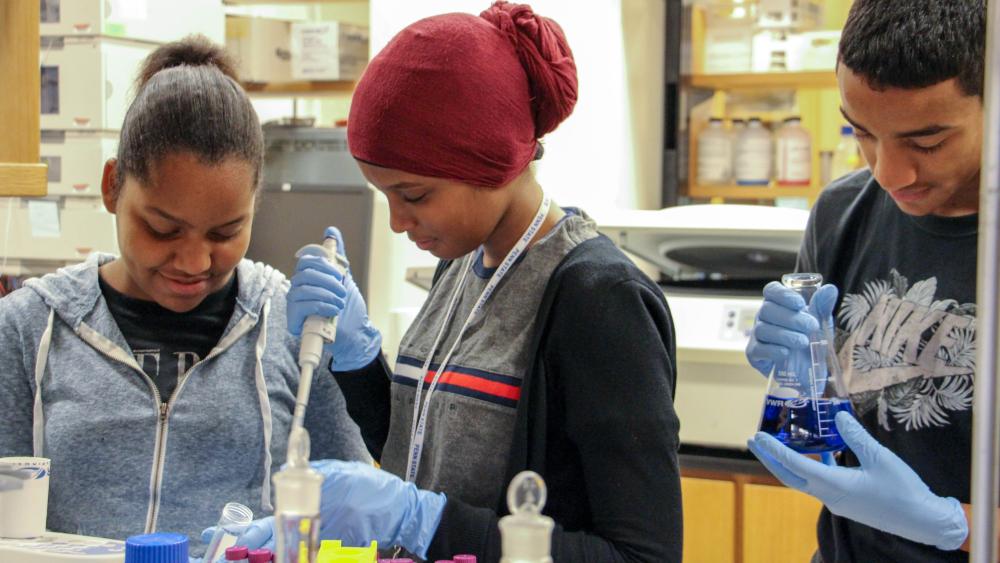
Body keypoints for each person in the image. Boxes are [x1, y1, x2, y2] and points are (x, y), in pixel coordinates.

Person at [226, 2, 683, 561]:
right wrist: (357, 361)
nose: (397, 222)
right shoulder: (461, 265)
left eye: (414, 195)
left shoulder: (598, 299)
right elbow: (421, 454)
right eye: (384, 195)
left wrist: (420, 520)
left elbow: (644, 555)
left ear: (489, 162)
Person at [0, 36, 369, 554]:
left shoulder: (291, 330)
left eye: (224, 233)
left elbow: (357, 517)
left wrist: (362, 371)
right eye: (163, 229)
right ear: (112, 188)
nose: (194, 263)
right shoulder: (28, 329)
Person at [744, 0, 984, 561]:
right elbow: (832, 442)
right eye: (862, 133)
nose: (888, 173)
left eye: (927, 143)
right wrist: (801, 384)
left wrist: (954, 525)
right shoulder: (841, 212)